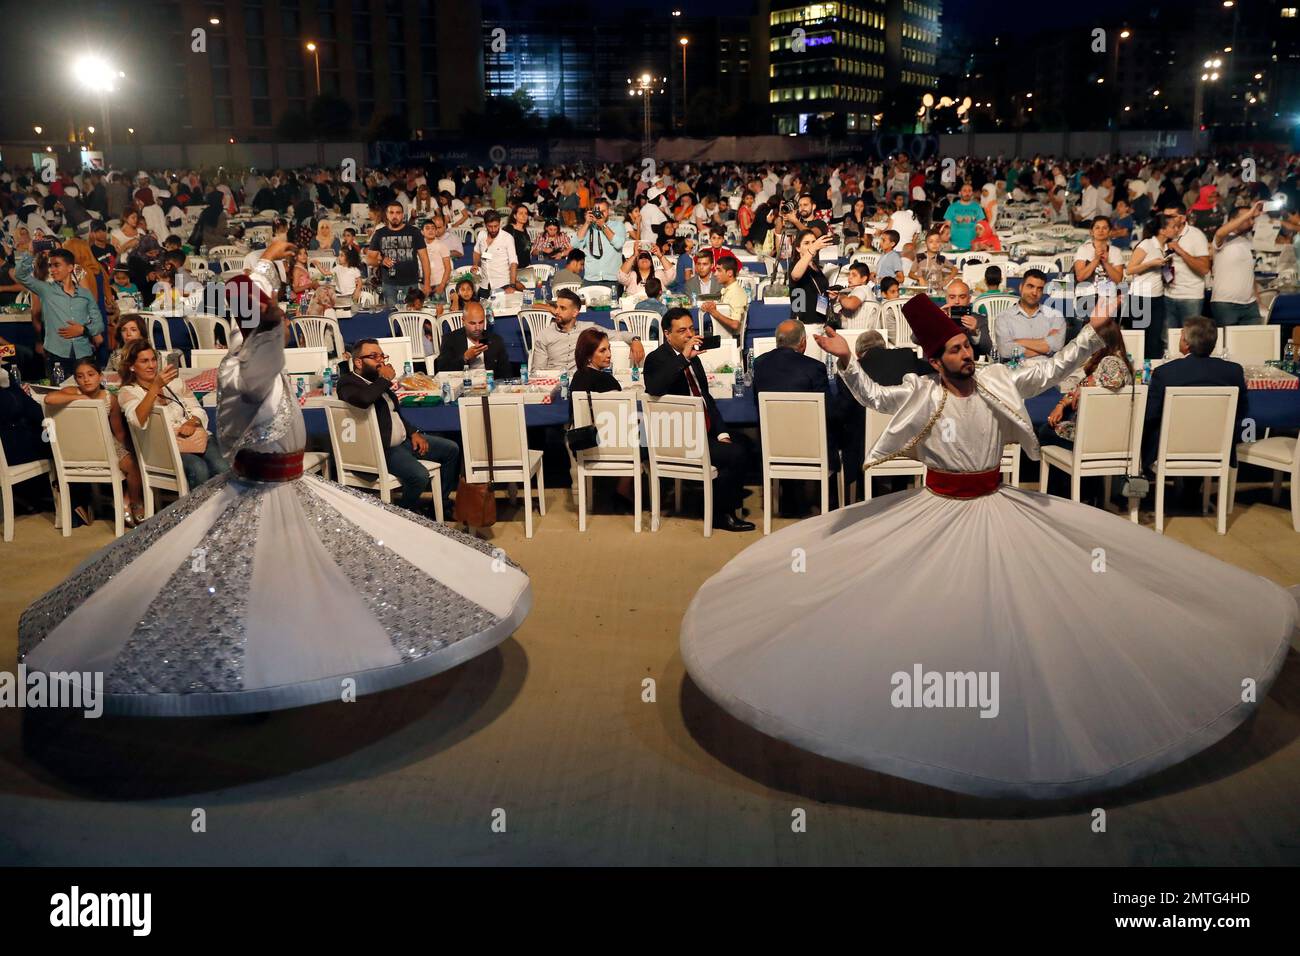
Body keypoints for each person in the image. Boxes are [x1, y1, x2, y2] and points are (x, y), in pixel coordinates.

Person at [678, 292, 1294, 799]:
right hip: (938, 508)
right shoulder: (922, 390)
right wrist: (845, 360)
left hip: (998, 505)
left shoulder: (998, 378)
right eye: (953, 348)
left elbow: (1049, 371)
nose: (965, 353)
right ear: (933, 356)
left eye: (966, 344)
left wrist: (1093, 332)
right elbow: (873, 398)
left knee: (1022, 611)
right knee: (930, 612)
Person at [18, 273, 530, 717]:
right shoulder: (243, 366)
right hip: (259, 490)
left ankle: (290, 658)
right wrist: (262, 306)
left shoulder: (252, 359)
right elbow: (262, 357)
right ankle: (254, 676)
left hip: (289, 484)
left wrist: (263, 302)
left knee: (301, 575)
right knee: (256, 581)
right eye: (264, 316)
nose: (275, 323)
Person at [643, 308, 753, 532]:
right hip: (680, 438)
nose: (689, 335)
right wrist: (683, 358)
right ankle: (723, 514)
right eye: (682, 331)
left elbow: (705, 398)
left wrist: (722, 433)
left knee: (744, 442)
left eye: (691, 329)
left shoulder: (694, 358)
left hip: (704, 430)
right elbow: (654, 387)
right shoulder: (657, 359)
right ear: (667, 334)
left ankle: (718, 497)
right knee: (736, 454)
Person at [338, 337, 460, 515]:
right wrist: (385, 380)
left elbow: (395, 414)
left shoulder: (377, 381)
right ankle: (399, 515)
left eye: (382, 356)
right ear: (358, 362)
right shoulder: (348, 383)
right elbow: (363, 400)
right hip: (383, 449)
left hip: (403, 442)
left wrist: (414, 433)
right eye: (374, 356)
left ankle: (440, 505)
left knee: (451, 449)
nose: (381, 360)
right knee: (419, 476)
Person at [43, 356, 145, 524]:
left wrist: (128, 450)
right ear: (76, 379)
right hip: (79, 446)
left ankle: (134, 501)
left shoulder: (109, 398)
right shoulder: (72, 392)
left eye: (91, 374)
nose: (86, 379)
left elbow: (118, 432)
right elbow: (49, 399)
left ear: (100, 376)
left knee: (133, 466)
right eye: (80, 376)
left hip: (106, 443)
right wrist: (79, 398)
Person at [1142, 316, 1250, 473]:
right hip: (1217, 448)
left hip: (1171, 449)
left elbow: (1150, 415)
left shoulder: (1165, 373)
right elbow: (1242, 411)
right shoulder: (1233, 371)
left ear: (1186, 343)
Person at [117, 338, 229, 487]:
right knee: (199, 469)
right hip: (165, 448)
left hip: (195, 439)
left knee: (222, 467)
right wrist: (155, 387)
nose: (151, 365)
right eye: (144, 361)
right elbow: (137, 420)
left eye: (153, 360)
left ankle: (224, 508)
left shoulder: (175, 383)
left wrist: (191, 421)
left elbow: (197, 410)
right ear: (132, 366)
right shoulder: (128, 392)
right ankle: (196, 509)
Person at [12, 239, 105, 381]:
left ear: (70, 268)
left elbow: (99, 324)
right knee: (58, 395)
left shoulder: (85, 294)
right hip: (56, 354)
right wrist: (30, 252)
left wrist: (83, 330)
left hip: (84, 353)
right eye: (50, 266)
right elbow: (20, 275)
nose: (52, 270)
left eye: (56, 265)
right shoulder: (46, 290)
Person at [1040, 319, 1134, 453]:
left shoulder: (1111, 361)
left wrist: (1086, 385)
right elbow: (1080, 388)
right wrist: (1061, 404)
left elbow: (1115, 378)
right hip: (1110, 436)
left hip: (1095, 438)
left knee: (1044, 431)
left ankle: (1074, 472)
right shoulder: (1113, 359)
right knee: (1058, 420)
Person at [529, 288, 645, 373]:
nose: (557, 311)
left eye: (562, 308)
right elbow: (537, 372)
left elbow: (618, 335)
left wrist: (635, 340)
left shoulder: (588, 329)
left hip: (581, 383)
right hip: (553, 383)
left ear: (575, 312)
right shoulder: (544, 335)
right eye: (557, 307)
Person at [1125, 213, 1178, 359]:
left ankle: (1151, 375)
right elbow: (1130, 270)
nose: (1176, 229)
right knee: (1140, 339)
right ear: (1162, 230)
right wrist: (1151, 264)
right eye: (1173, 226)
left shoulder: (1167, 247)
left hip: (1157, 296)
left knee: (1154, 341)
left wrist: (1168, 272)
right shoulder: (1147, 244)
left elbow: (1165, 275)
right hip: (1140, 296)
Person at [366, 201, 431, 307]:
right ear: (386, 215)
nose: (394, 216)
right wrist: (381, 261)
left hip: (411, 283)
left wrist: (427, 283)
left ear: (403, 215)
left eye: (398, 213)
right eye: (391, 213)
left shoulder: (414, 232)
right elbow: (369, 259)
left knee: (413, 315)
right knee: (390, 316)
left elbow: (425, 259)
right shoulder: (379, 234)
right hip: (389, 284)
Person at [1210, 200, 1264, 327]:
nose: (1251, 222)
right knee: (1229, 345)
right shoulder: (1223, 238)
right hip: (1225, 304)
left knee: (1251, 344)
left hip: (1250, 305)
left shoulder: (1248, 242)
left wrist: (1258, 300)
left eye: (1252, 219)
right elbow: (1219, 233)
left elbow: (1250, 274)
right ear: (1233, 220)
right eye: (1247, 218)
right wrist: (1250, 212)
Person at [993, 269, 1064, 358]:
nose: (1034, 292)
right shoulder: (1003, 318)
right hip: (1017, 370)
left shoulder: (1055, 316)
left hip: (1048, 370)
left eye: (1039, 289)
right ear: (1021, 287)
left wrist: (1018, 342)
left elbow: (1057, 346)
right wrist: (1046, 349)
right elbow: (1005, 351)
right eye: (1030, 286)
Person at [434, 301, 511, 379]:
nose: (477, 328)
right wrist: (465, 358)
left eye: (481, 322)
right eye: (472, 323)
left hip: (489, 385)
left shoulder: (494, 340)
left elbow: (505, 372)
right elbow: (442, 369)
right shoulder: (451, 339)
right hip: (462, 385)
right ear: (463, 321)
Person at [789, 229, 834, 325]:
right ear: (798, 248)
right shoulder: (796, 264)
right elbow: (796, 275)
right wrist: (813, 248)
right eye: (806, 243)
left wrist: (828, 294)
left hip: (820, 320)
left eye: (814, 242)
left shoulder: (815, 266)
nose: (811, 245)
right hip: (804, 323)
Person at [473, 210, 519, 294]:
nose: (493, 229)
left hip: (502, 284)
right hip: (484, 284)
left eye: (496, 226)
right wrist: (475, 264)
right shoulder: (481, 235)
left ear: (500, 223)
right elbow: (476, 251)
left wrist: (512, 285)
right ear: (485, 224)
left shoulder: (507, 238)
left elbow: (513, 262)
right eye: (490, 226)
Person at [943, 181, 985, 251]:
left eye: (969, 191)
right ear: (960, 193)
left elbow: (982, 226)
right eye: (964, 191)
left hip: (974, 246)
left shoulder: (977, 207)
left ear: (972, 193)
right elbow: (947, 226)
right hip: (955, 245)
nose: (967, 193)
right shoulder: (952, 207)